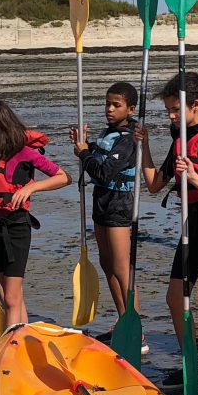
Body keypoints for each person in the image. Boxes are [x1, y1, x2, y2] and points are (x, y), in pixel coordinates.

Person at [137, 72, 198, 395]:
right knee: (175, 295)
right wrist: (145, 146)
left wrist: (194, 179)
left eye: (176, 110)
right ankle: (189, 361)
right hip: (193, 223)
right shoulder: (180, 139)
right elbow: (154, 184)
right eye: (168, 111)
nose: (171, 116)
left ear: (195, 105)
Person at [0, 101, 70, 327]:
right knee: (4, 291)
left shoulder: (24, 153)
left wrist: (30, 188)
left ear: (5, 130)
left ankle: (12, 344)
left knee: (11, 296)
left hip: (16, 226)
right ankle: (23, 335)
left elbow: (63, 177)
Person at [71, 82, 140, 345]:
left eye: (116, 105)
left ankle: (136, 327)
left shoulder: (129, 139)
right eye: (107, 104)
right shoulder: (109, 133)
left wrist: (84, 153)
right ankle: (123, 320)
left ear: (130, 109)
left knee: (122, 269)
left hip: (120, 206)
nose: (109, 109)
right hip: (102, 203)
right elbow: (96, 162)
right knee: (106, 264)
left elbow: (102, 172)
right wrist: (85, 145)